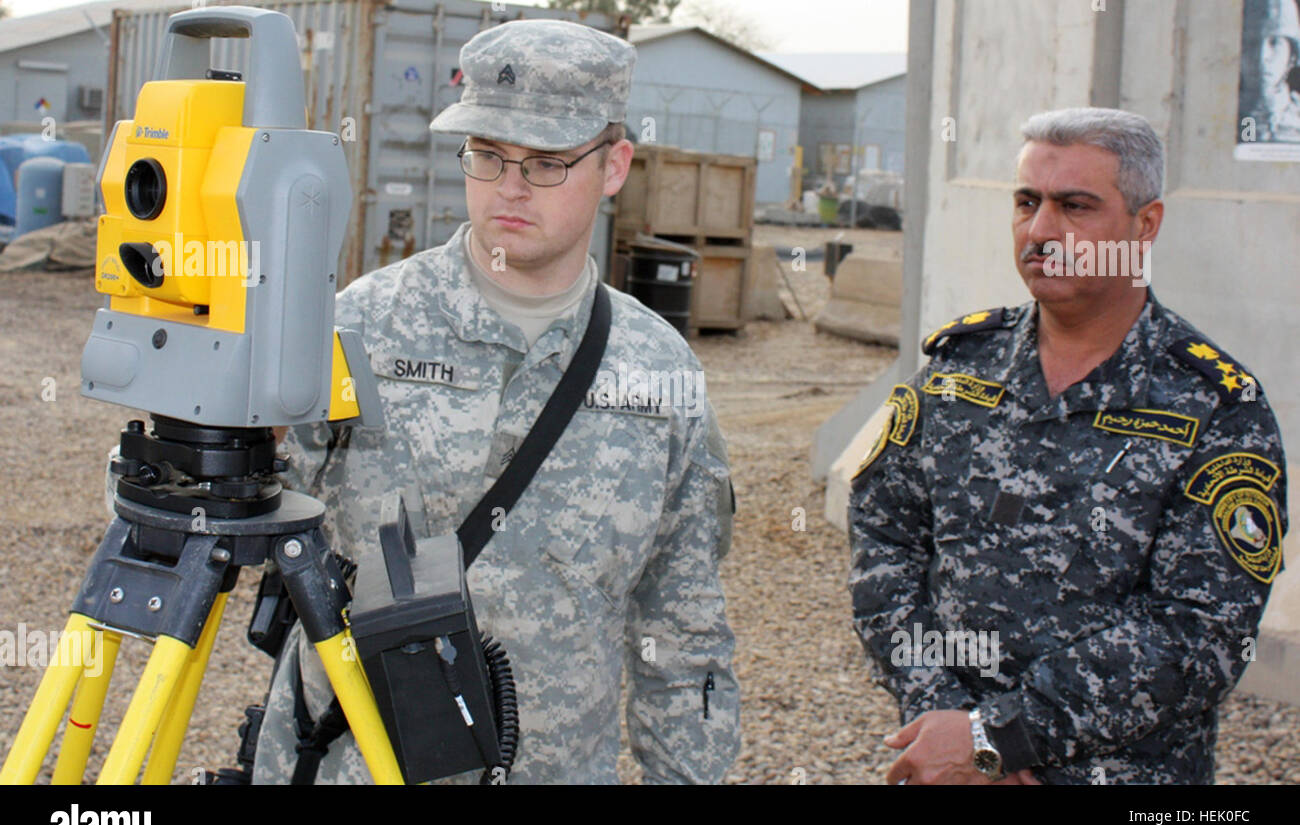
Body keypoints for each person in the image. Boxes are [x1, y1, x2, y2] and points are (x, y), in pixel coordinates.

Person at [250, 19, 740, 784]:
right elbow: (243, 523)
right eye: (487, 155)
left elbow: (684, 634)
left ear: (615, 165)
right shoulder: (357, 327)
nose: (510, 187)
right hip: (351, 765)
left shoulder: (658, 373)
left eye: (546, 162)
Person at [848, 107, 1287, 785]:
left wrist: (1001, 737)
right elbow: (885, 541)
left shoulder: (1216, 408)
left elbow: (1200, 631)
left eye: (1075, 206)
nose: (1042, 231)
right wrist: (943, 716)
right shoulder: (958, 370)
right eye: (1027, 203)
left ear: (1146, 224)